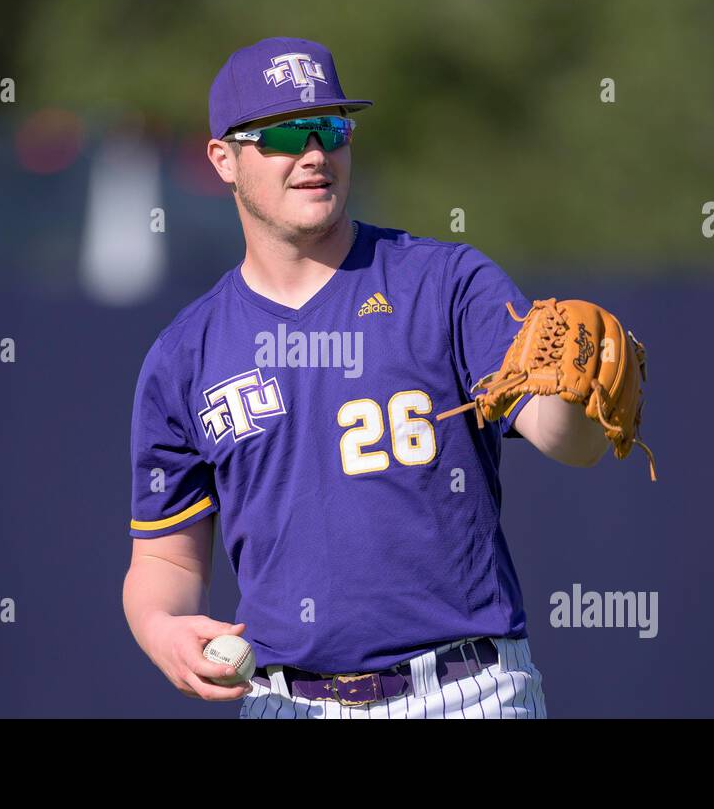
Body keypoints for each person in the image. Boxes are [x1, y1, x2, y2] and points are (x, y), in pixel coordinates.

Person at [122, 37, 610, 718]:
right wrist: (160, 629)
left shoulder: (445, 283)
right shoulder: (185, 354)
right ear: (223, 160)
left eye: (332, 127)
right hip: (288, 701)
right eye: (287, 133)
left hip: (465, 691)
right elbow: (168, 561)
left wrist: (581, 397)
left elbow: (569, 440)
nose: (315, 152)